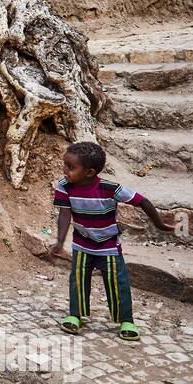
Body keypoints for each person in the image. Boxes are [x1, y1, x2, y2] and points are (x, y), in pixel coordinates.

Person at [48, 141, 173, 343]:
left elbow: (142, 201)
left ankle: (126, 320)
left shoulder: (110, 189)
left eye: (71, 167)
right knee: (78, 280)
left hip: (108, 246)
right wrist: (60, 242)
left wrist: (159, 224)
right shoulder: (64, 187)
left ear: (89, 173)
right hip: (82, 244)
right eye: (65, 164)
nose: (65, 170)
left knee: (117, 283)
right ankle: (75, 315)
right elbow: (64, 214)